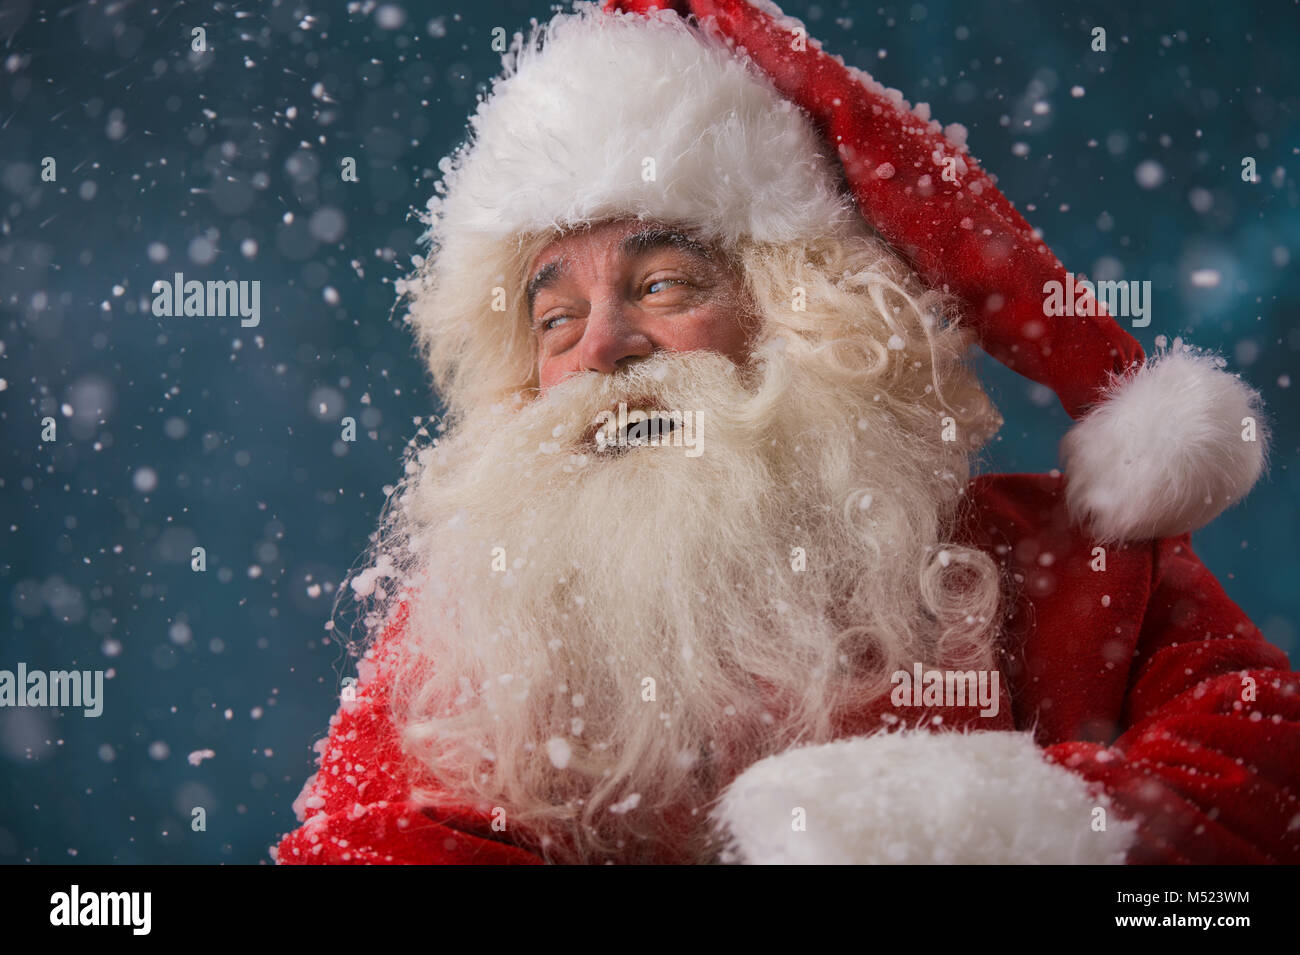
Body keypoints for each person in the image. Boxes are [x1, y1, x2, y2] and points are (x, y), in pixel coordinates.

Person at [273, 0, 1298, 865]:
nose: (602, 350)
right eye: (555, 320)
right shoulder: (482, 620)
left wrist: (966, 826)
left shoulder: (1077, 565)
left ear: (805, 318)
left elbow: (1267, 776)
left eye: (663, 283)